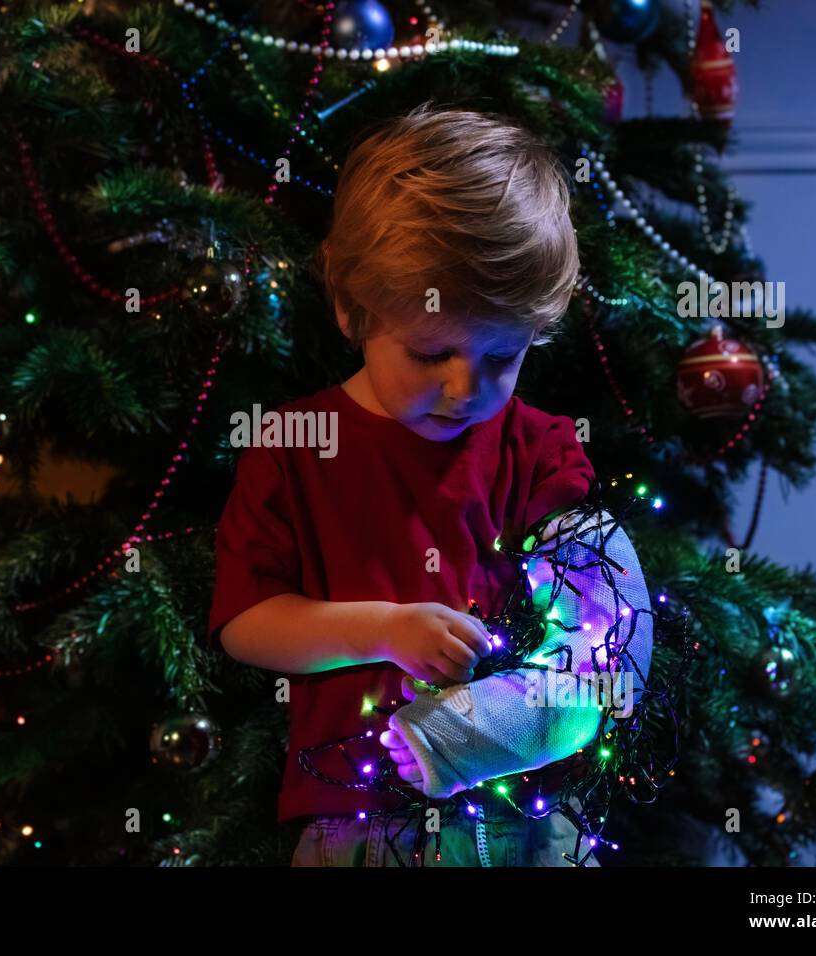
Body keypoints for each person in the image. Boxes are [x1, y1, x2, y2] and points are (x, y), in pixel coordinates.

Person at [209, 103, 607, 866]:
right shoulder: (295, 449)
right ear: (353, 307)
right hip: (358, 823)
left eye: (502, 358)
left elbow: (594, 614)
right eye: (432, 354)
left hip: (526, 818)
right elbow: (246, 623)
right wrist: (383, 629)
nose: (467, 387)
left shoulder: (540, 448)